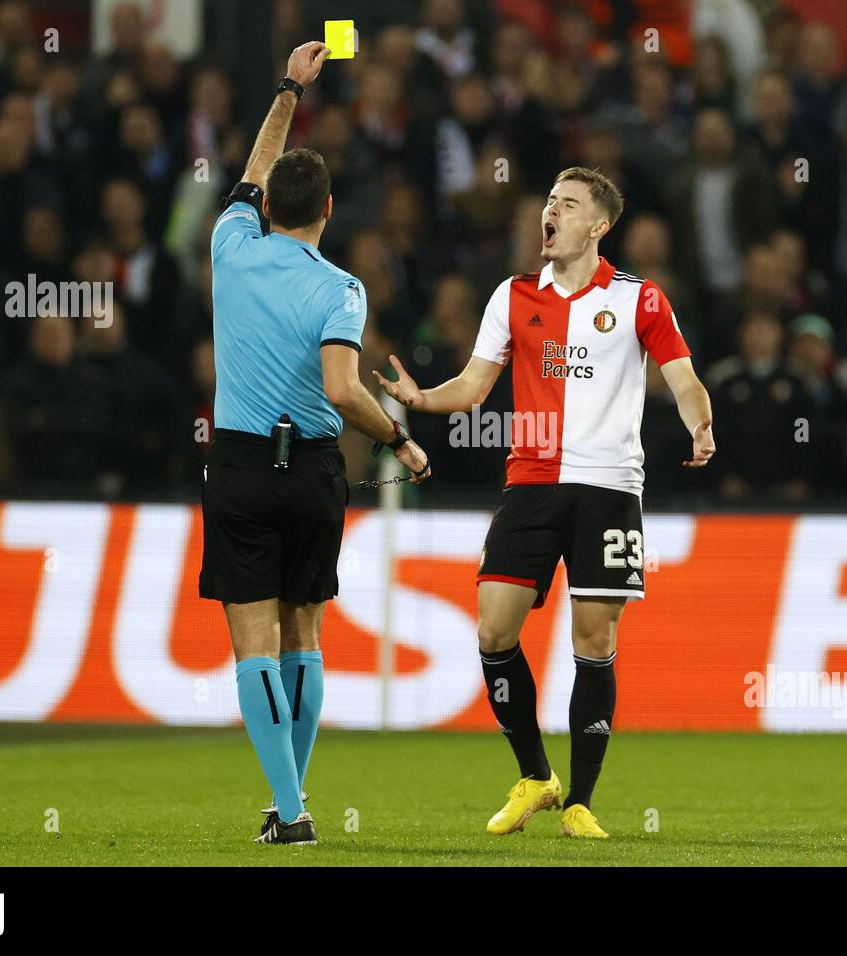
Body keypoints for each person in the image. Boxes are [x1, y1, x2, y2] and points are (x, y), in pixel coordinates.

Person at [374, 167, 714, 839]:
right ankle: (536, 775)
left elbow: (684, 377)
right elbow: (474, 386)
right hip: (529, 481)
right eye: (549, 202)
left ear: (598, 225)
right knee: (494, 629)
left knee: (595, 640)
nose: (550, 213)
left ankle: (582, 800)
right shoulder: (512, 294)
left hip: (609, 487)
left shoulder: (639, 298)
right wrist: (419, 399)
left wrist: (701, 424)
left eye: (567, 204)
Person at [200, 41, 430, 847]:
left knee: (254, 648)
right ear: (329, 211)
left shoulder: (231, 246)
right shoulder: (342, 288)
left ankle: (291, 810)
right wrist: (398, 437)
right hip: (316, 475)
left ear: (264, 207)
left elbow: (252, 168)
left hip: (239, 465)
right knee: (305, 639)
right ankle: (288, 804)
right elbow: (341, 390)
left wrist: (290, 90)